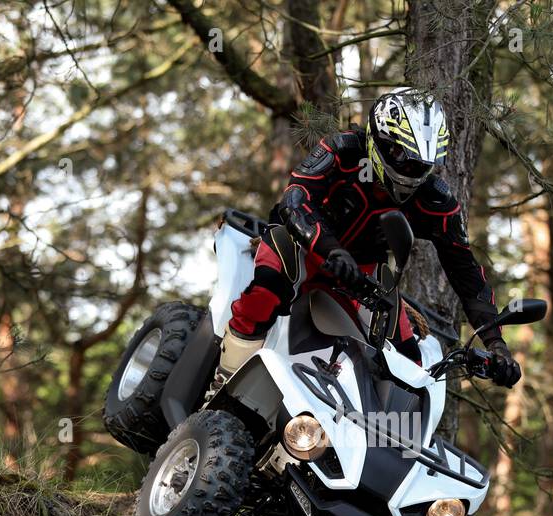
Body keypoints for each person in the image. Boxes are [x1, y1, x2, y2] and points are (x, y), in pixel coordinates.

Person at [208, 87, 522, 396]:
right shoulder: (342, 151)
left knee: (408, 360)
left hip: (362, 275)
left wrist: (495, 343)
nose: (410, 173)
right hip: (301, 246)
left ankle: (377, 438)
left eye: (421, 165)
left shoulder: (436, 200)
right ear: (381, 141)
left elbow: (466, 273)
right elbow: (295, 199)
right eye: (403, 158)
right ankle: (222, 382)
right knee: (266, 290)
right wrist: (332, 250)